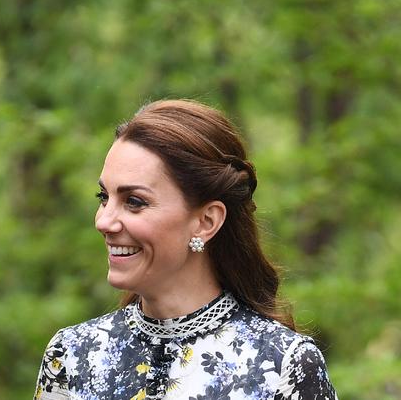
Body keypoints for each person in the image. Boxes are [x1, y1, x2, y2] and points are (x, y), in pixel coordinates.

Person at [34, 99, 337, 399]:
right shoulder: (72, 356)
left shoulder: (284, 366)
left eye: (134, 202)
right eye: (104, 197)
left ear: (206, 221)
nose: (104, 221)